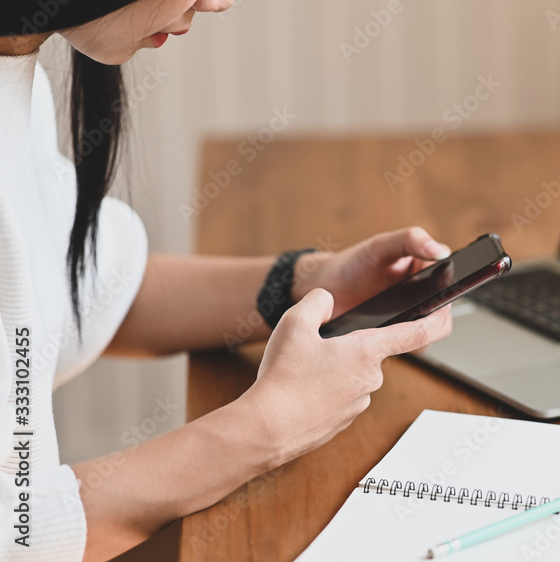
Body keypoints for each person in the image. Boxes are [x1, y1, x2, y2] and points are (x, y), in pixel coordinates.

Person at [0, 1, 454, 559]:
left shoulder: (15, 66)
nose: (217, 1)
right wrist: (264, 428)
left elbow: (73, 295)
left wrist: (307, 282)